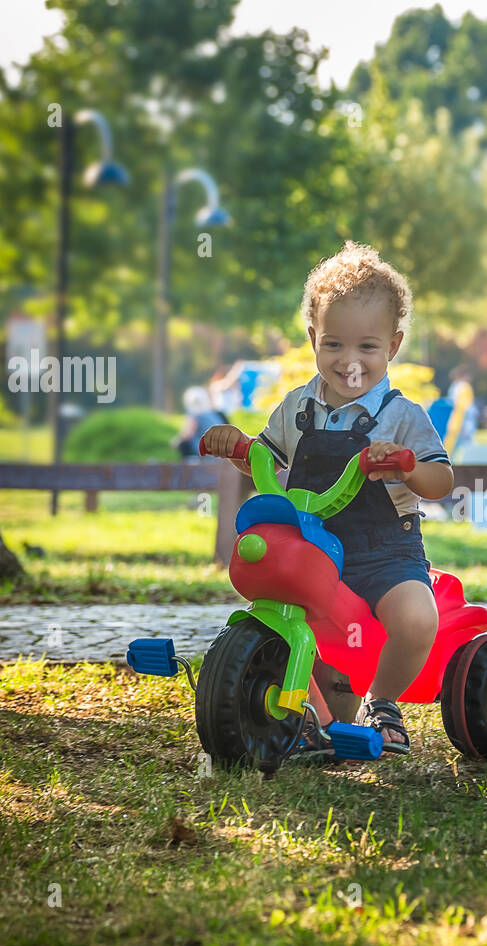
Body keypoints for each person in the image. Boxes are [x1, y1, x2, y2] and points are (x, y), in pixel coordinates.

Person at [201, 241, 453, 754]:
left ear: (394, 345)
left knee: (415, 618)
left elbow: (441, 481)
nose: (350, 362)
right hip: (313, 547)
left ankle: (381, 701)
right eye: (334, 344)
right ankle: (305, 715)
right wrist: (238, 448)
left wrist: (407, 464)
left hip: (385, 551)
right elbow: (264, 459)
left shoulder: (403, 417)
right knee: (297, 628)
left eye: (368, 347)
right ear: (314, 338)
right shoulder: (297, 408)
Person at [172, 386, 225, 460]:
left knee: (183, 444)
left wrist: (175, 442)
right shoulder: (213, 413)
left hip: (205, 453)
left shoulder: (194, 414)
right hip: (220, 452)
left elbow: (187, 434)